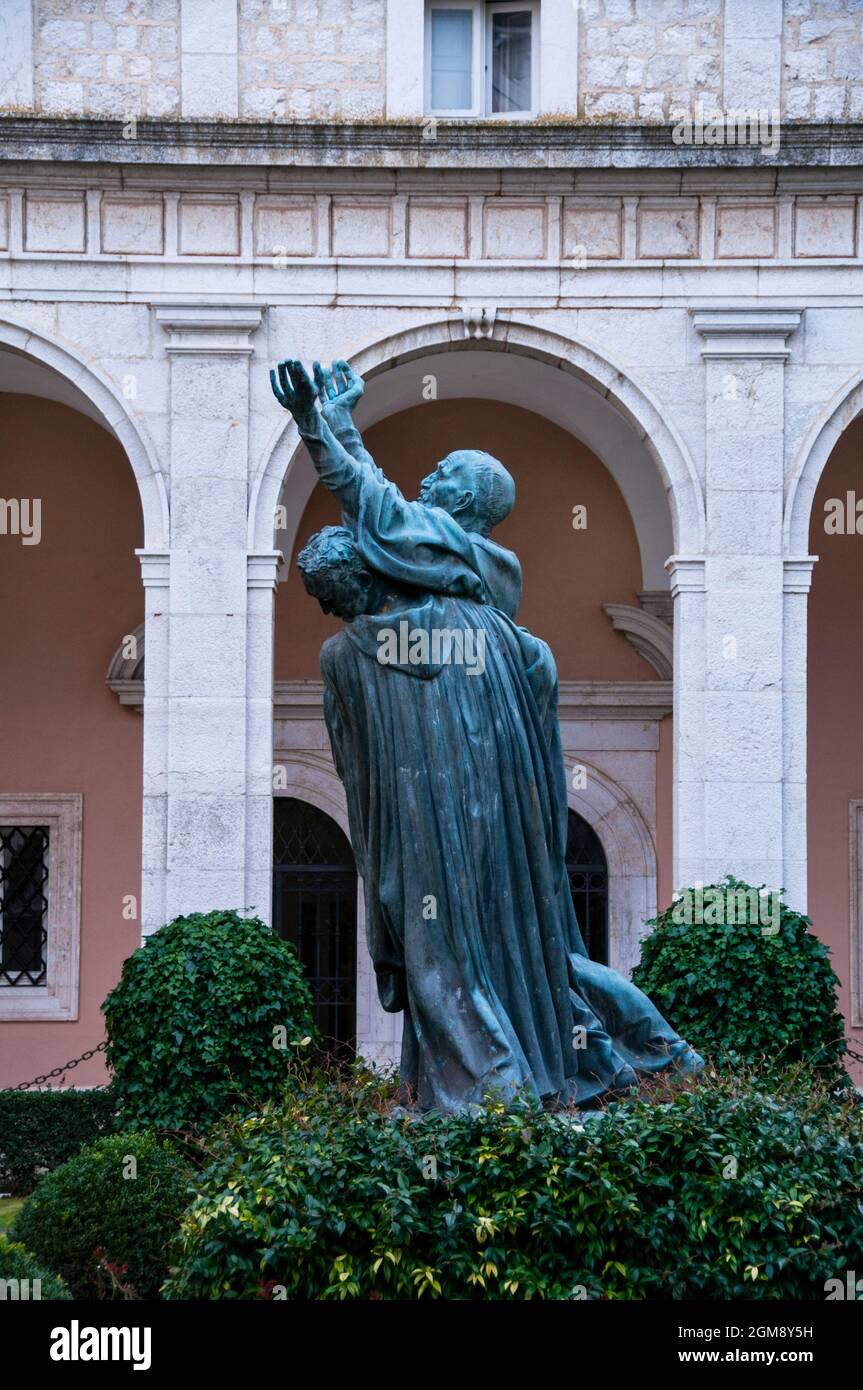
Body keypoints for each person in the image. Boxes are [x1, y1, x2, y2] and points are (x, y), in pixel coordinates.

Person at [296, 522, 703, 1112]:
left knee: (448, 957)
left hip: (418, 836)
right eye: (321, 596)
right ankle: (632, 1056)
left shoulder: (343, 655)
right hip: (496, 825)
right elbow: (532, 693)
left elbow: (350, 759)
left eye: (332, 590)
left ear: (365, 576)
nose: (330, 605)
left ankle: (499, 1087)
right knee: (536, 953)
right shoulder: (474, 623)